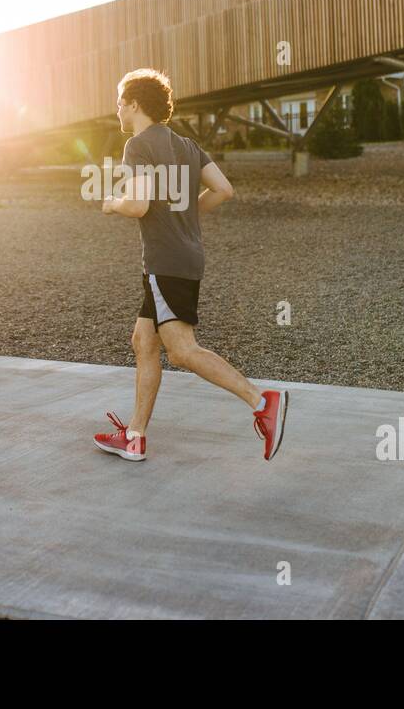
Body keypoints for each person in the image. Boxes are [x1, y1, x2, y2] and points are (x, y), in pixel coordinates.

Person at [96, 68, 289, 463]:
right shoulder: (187, 145)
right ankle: (134, 436)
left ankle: (261, 401)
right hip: (184, 255)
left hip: (165, 260)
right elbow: (223, 189)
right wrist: (186, 217)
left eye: (119, 102)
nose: (116, 109)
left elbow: (138, 205)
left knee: (182, 350)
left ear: (134, 104)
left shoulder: (137, 145)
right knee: (143, 341)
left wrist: (112, 203)